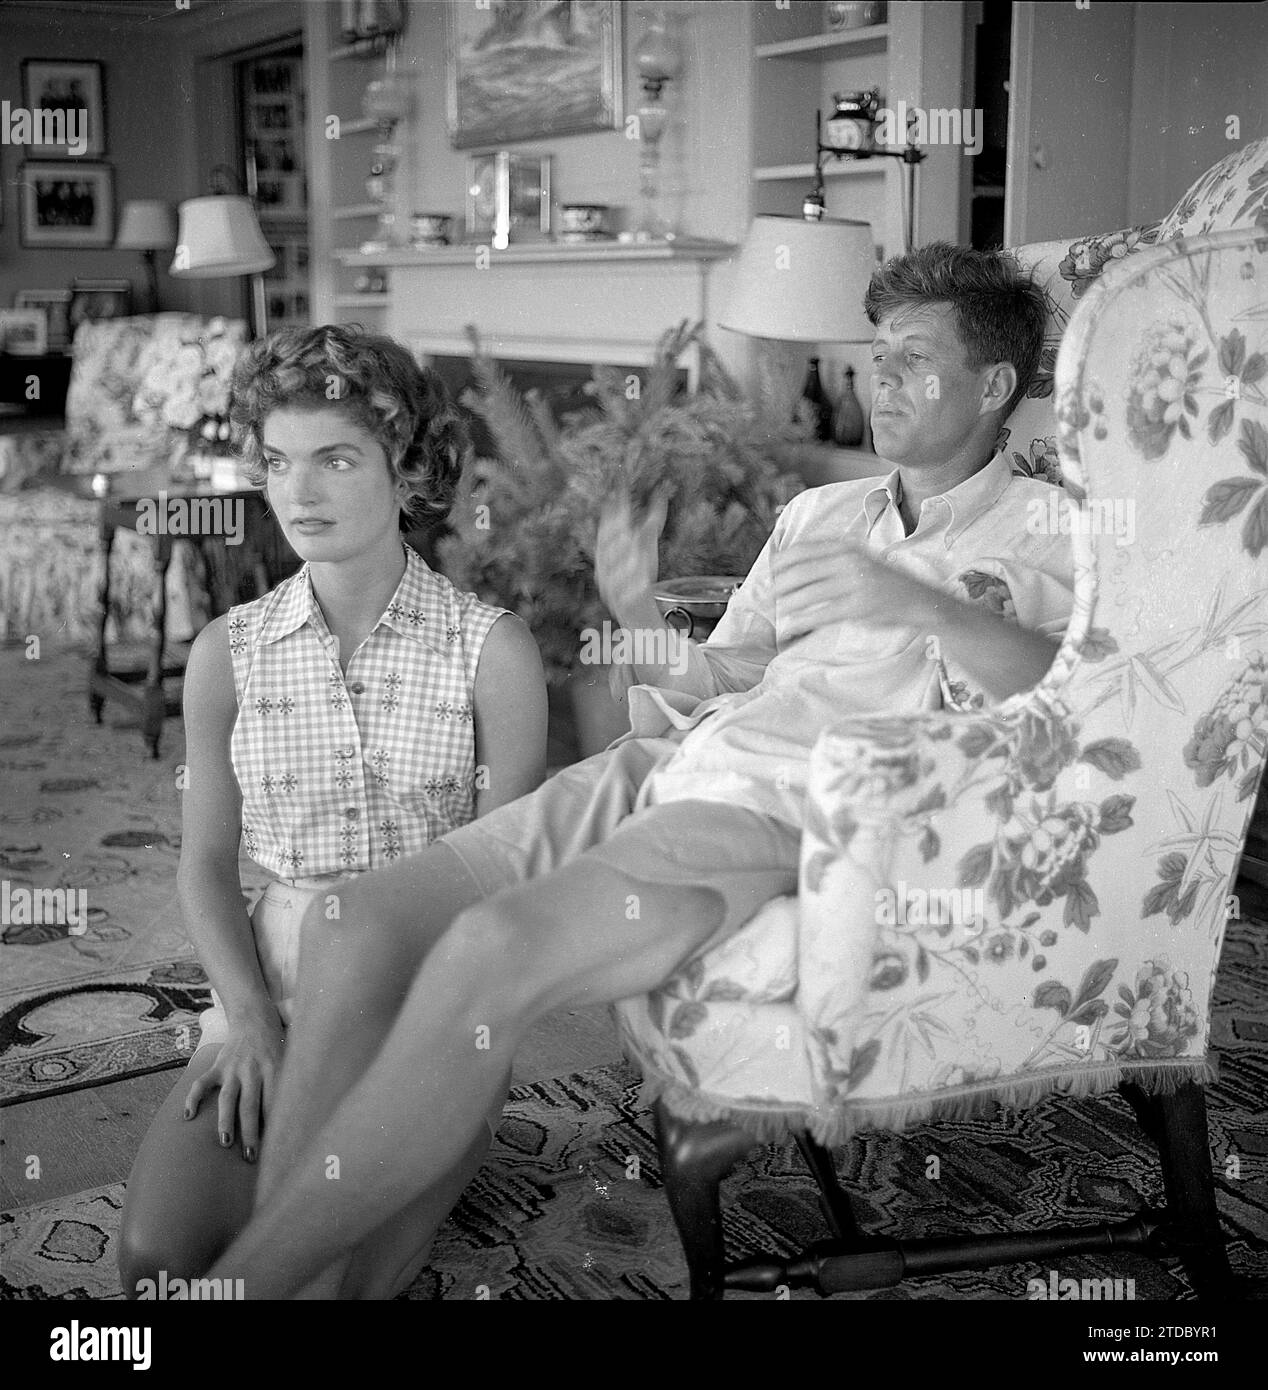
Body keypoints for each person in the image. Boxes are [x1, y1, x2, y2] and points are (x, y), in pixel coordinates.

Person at [208, 243, 1073, 1298]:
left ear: (991, 388)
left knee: (489, 946)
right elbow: (721, 672)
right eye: (875, 354)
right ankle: (319, 1279)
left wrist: (917, 605)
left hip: (773, 807)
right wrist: (632, 606)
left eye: (911, 358)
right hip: (658, 764)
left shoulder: (1055, 534)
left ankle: (249, 1289)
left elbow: (1078, 701)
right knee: (350, 925)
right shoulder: (820, 514)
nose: (878, 379)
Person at [117, 325, 547, 1299]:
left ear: (406, 470)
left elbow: (505, 886)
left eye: (334, 459)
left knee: (326, 1276)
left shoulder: (492, 653)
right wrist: (252, 1021)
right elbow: (204, 864)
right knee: (159, 1263)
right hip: (271, 994)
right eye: (277, 461)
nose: (298, 492)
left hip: (428, 1009)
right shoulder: (229, 652)